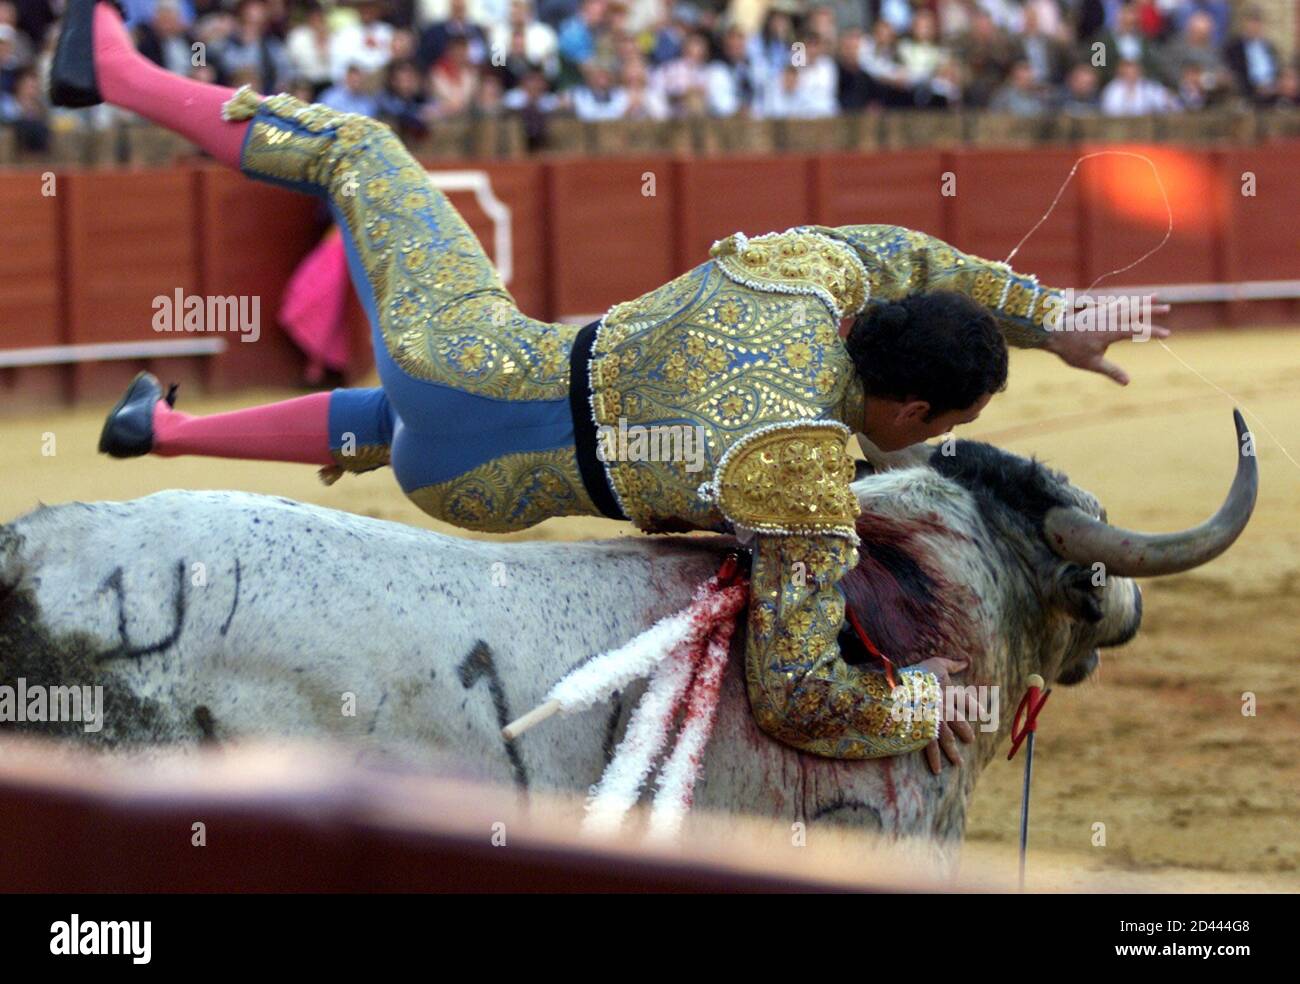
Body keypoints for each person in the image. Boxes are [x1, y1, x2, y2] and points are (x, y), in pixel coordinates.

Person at [52, 0, 1167, 766]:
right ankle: (167, 427)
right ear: (914, 411)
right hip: (481, 487)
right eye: (950, 423)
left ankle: (124, 83)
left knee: (360, 152)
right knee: (384, 372)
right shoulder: (797, 478)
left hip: (480, 367)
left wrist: (1048, 314)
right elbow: (803, 698)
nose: (931, 445)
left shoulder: (810, 273)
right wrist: (933, 697)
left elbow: (916, 256)